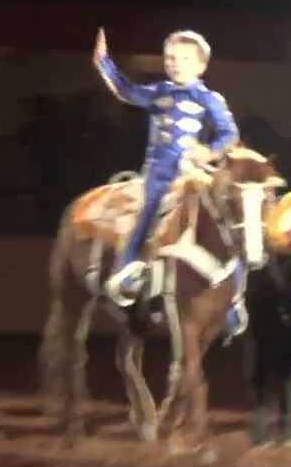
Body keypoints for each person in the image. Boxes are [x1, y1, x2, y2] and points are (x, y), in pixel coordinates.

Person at [93, 27, 245, 332]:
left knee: (228, 222)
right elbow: (126, 91)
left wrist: (210, 151)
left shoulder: (210, 98)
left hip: (194, 173)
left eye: (184, 58)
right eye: (170, 58)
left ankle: (236, 298)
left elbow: (230, 134)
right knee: (148, 209)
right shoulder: (159, 92)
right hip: (160, 171)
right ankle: (130, 269)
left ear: (201, 65)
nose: (175, 63)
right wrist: (104, 63)